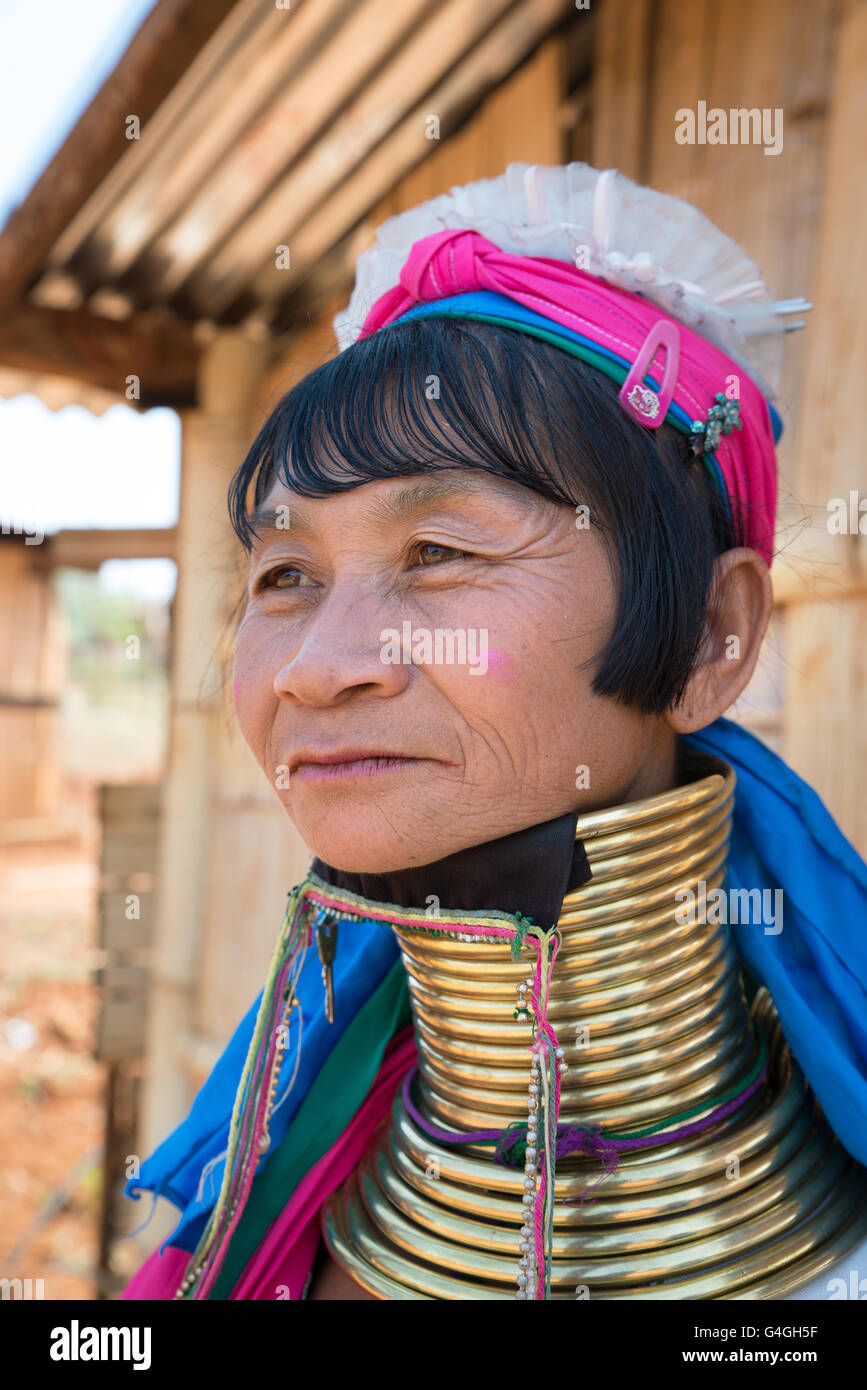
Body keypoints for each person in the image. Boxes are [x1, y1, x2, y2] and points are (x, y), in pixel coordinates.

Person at [121, 162, 867, 1301]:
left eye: (442, 554)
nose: (319, 667)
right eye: (284, 574)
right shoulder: (264, 1212)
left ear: (714, 633)